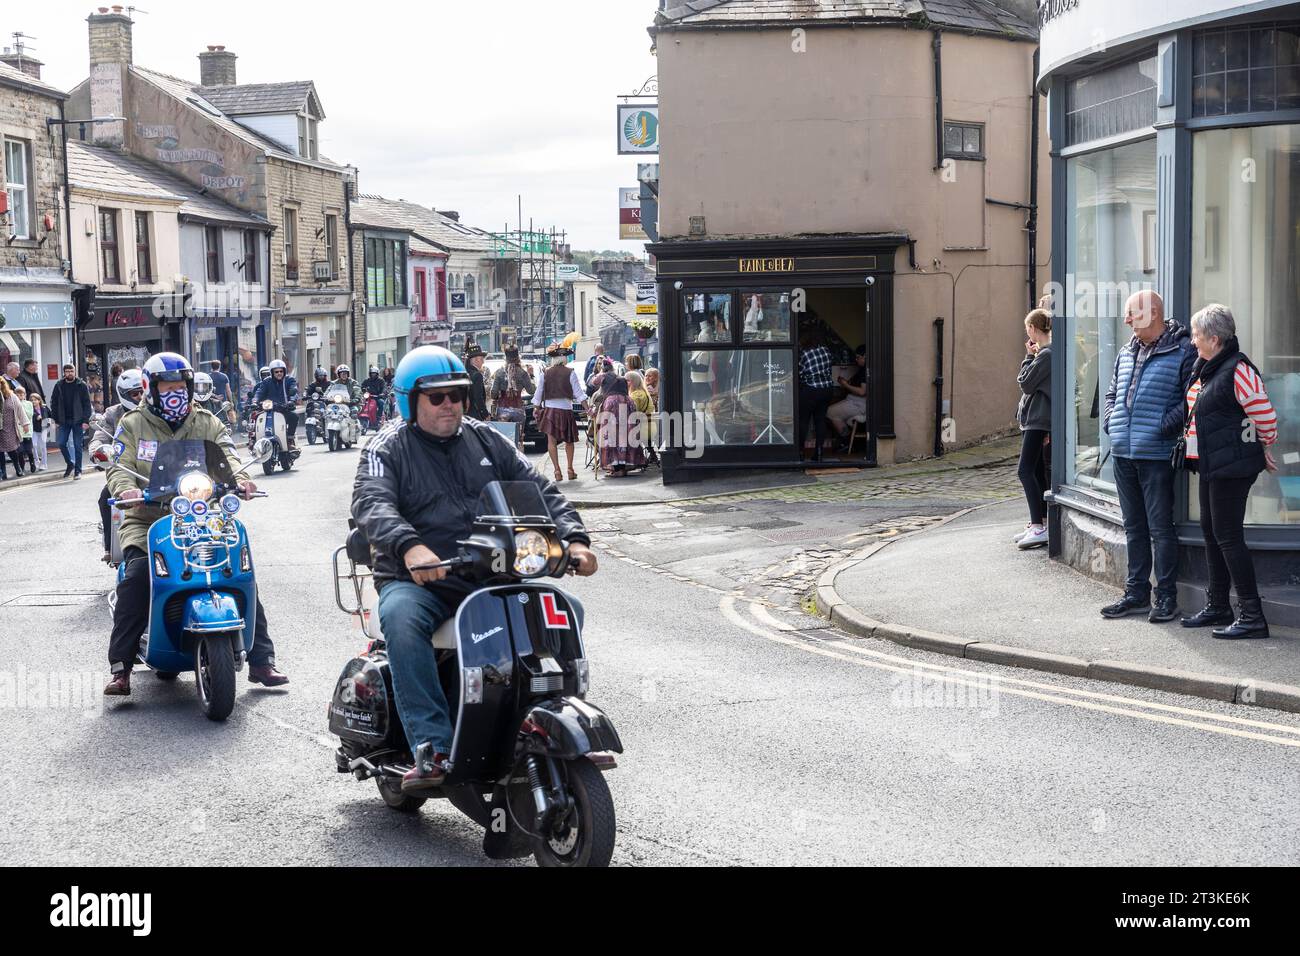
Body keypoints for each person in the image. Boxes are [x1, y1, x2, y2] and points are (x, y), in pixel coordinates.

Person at [351, 345, 597, 791]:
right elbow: (371, 502)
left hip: (490, 572)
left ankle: (553, 717)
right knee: (403, 621)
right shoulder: (386, 446)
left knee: (566, 609)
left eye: (458, 395)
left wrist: (575, 539)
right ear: (410, 400)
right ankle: (433, 746)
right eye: (437, 397)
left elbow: (540, 487)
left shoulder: (486, 438)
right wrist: (410, 547)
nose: (450, 405)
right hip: (421, 580)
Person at [103, 353, 288, 696]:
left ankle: (261, 659)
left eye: (181, 386)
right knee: (139, 576)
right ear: (151, 389)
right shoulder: (132, 424)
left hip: (203, 517)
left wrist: (242, 479)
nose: (176, 393)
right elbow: (118, 463)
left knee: (240, 572)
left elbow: (230, 455)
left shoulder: (207, 421)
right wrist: (125, 488)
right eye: (167, 387)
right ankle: (122, 666)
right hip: (148, 520)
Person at [1180, 304, 1279, 640]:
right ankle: (1218, 605)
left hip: (1232, 467)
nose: (1192, 341)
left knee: (1227, 536)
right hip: (1211, 464)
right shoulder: (1208, 367)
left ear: (1214, 338)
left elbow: (1265, 416)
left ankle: (1252, 615)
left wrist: (1266, 445)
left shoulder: (1238, 370)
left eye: (1196, 335)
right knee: (1212, 533)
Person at [1101, 289, 1197, 623]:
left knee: (1160, 528)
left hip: (1156, 454)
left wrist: (1161, 427)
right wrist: (1111, 422)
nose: (1126, 319)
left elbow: (1190, 400)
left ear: (1153, 313)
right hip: (1123, 452)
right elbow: (1112, 392)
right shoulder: (1127, 351)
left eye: (1131, 313)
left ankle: (1166, 598)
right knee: (1134, 527)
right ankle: (1136, 594)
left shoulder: (1183, 350)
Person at [90, 369, 145, 560]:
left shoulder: (155, 410)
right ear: (123, 394)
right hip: (125, 468)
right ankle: (109, 547)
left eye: (142, 391)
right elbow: (100, 436)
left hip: (156, 469)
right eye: (134, 394)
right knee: (106, 497)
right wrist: (97, 452)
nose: (139, 397)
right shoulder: (113, 413)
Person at [1014, 310, 1053, 549]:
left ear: (1032, 329)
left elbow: (1026, 384)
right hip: (1037, 419)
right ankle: (1040, 522)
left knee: (1024, 470)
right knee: (1037, 471)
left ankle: (1038, 524)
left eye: (1027, 327)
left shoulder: (1046, 355)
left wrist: (1028, 357)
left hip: (1039, 420)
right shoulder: (1047, 354)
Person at [534, 341, 584, 481]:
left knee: (552, 441)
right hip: (566, 410)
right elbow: (579, 394)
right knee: (569, 441)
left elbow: (539, 393)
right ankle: (570, 469)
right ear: (564, 359)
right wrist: (588, 409)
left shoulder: (545, 373)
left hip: (550, 411)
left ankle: (557, 471)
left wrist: (536, 408)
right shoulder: (570, 373)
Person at [797, 327, 836, 462]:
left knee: (803, 421)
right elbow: (829, 368)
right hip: (826, 389)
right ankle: (819, 452)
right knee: (820, 420)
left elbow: (800, 374)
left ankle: (800, 452)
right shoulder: (825, 350)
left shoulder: (804, 354)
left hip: (811, 390)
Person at [596, 375, 646, 477]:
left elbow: (593, 382)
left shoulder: (609, 397)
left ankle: (617, 469)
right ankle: (622, 468)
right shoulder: (629, 398)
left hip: (612, 412)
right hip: (627, 413)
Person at [49, 363, 92, 479]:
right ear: (64, 373)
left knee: (78, 446)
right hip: (63, 420)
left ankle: (78, 470)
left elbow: (87, 404)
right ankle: (70, 464)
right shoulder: (59, 385)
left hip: (78, 420)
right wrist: (55, 419)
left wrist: (85, 420)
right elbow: (54, 403)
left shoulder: (81, 385)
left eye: (71, 371)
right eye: (67, 371)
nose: (69, 373)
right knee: (61, 443)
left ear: (75, 371)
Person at [828, 345, 869, 454]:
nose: (856, 360)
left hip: (859, 404)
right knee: (834, 408)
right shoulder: (862, 369)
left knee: (830, 412)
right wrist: (846, 383)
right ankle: (848, 441)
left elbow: (862, 392)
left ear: (865, 356)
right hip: (854, 401)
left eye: (858, 357)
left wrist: (846, 385)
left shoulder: (866, 370)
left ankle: (847, 442)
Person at [490, 346, 534, 441]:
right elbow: (531, 391)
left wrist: (498, 394)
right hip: (518, 409)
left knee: (503, 439)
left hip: (502, 409)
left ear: (505, 358)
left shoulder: (499, 372)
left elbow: (493, 394)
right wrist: (531, 375)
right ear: (518, 358)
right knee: (519, 438)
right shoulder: (523, 373)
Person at [252, 359, 299, 444]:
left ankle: (290, 439)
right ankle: (255, 440)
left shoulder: (289, 380)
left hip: (284, 408)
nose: (279, 373)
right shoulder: (267, 381)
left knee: (294, 417)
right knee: (255, 418)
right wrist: (254, 401)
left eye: (281, 371)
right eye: (276, 372)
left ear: (284, 371)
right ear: (272, 372)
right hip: (269, 409)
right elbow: (259, 392)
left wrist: (291, 401)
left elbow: (294, 390)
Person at [0, 378, 29, 479]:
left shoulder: (12, 396)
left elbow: (20, 410)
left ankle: (17, 467)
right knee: (0, 452)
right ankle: (2, 472)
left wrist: (25, 424)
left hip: (10, 428)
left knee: (12, 450)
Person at [462, 345, 489, 421]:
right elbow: (478, 397)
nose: (483, 362)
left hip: (464, 415)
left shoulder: (464, 373)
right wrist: (485, 414)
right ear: (476, 360)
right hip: (474, 415)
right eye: (481, 359)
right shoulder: (477, 375)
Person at [14, 386, 36, 474]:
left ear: (25, 395)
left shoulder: (28, 404)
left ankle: (32, 463)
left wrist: (20, 406)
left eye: (22, 394)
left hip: (27, 431)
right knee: (20, 451)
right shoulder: (14, 404)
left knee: (29, 450)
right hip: (18, 431)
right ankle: (22, 468)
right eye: (18, 395)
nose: (20, 396)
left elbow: (29, 415)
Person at [208, 360, 235, 426]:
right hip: (223, 402)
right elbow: (228, 390)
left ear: (211, 367)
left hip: (211, 402)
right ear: (219, 367)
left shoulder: (208, 377)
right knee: (224, 420)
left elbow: (207, 390)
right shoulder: (224, 376)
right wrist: (231, 401)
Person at [28, 392, 49, 471]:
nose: (34, 402)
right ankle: (36, 460)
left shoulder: (44, 407)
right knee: (34, 445)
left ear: (39, 400)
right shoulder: (30, 409)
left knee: (43, 447)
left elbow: (49, 415)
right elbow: (29, 417)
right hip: (34, 430)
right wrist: (36, 417)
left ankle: (44, 464)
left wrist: (47, 420)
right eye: (32, 400)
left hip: (43, 429)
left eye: (35, 400)